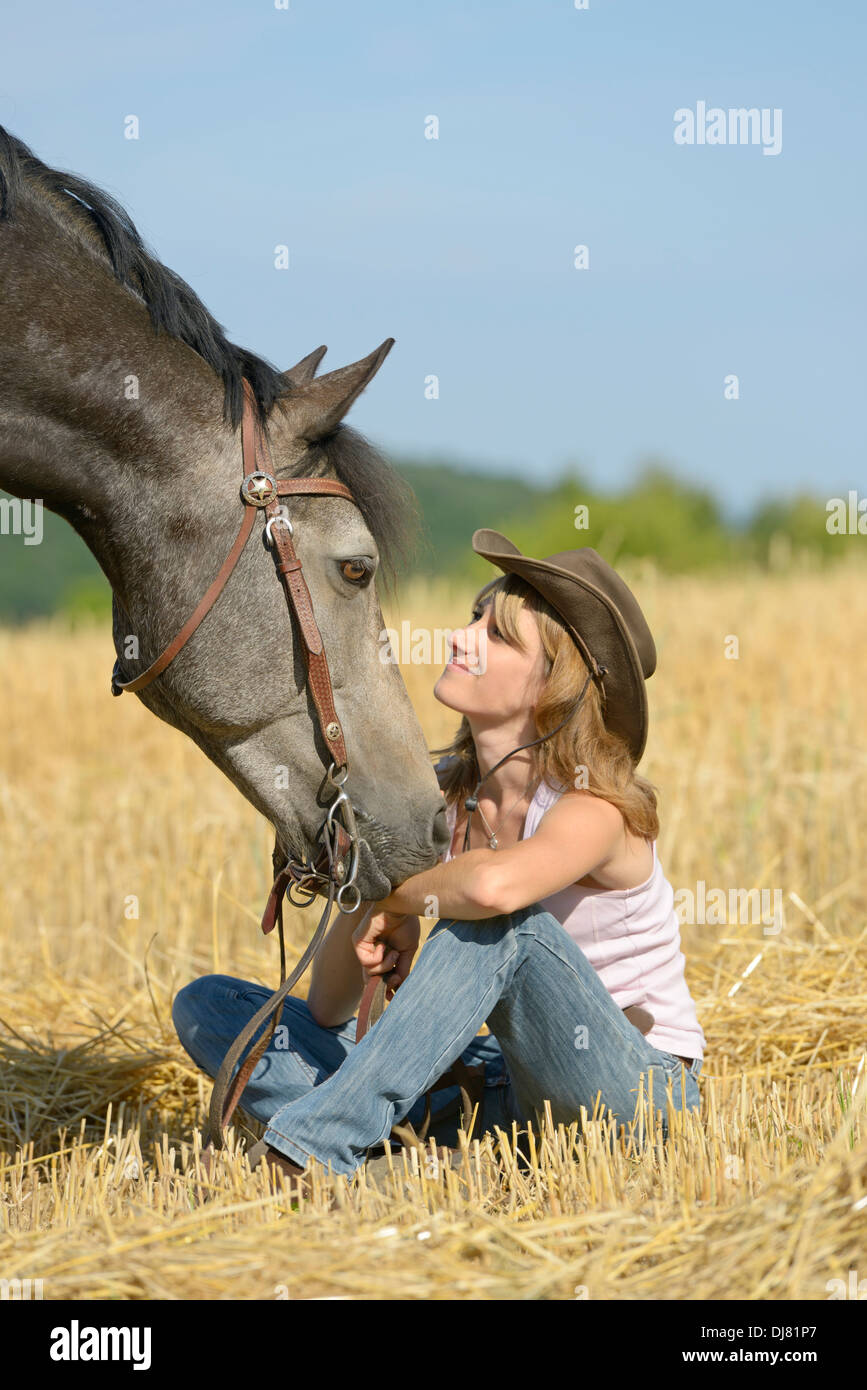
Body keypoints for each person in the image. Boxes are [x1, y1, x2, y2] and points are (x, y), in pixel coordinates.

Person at [173, 529, 706, 1182]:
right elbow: (328, 1009)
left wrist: (392, 891)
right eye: (473, 620)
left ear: (555, 685)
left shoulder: (597, 806)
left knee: (504, 925)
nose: (460, 638)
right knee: (213, 1007)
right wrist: (369, 893)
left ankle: (304, 1153)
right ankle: (415, 1162)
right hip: (501, 1089)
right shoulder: (444, 802)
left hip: (628, 1096)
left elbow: (491, 893)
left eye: (499, 636)